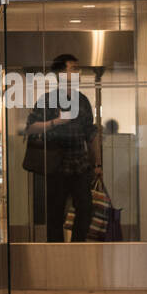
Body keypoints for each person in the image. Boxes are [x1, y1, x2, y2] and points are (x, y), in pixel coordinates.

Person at [23, 54, 100, 242]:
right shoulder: (47, 100)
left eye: (77, 69)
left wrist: (97, 163)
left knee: (85, 207)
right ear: (60, 74)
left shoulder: (82, 100)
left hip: (80, 164)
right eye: (73, 68)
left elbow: (91, 133)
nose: (77, 73)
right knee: (55, 212)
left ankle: (77, 247)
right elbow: (30, 128)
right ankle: (55, 252)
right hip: (55, 165)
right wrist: (55, 122)